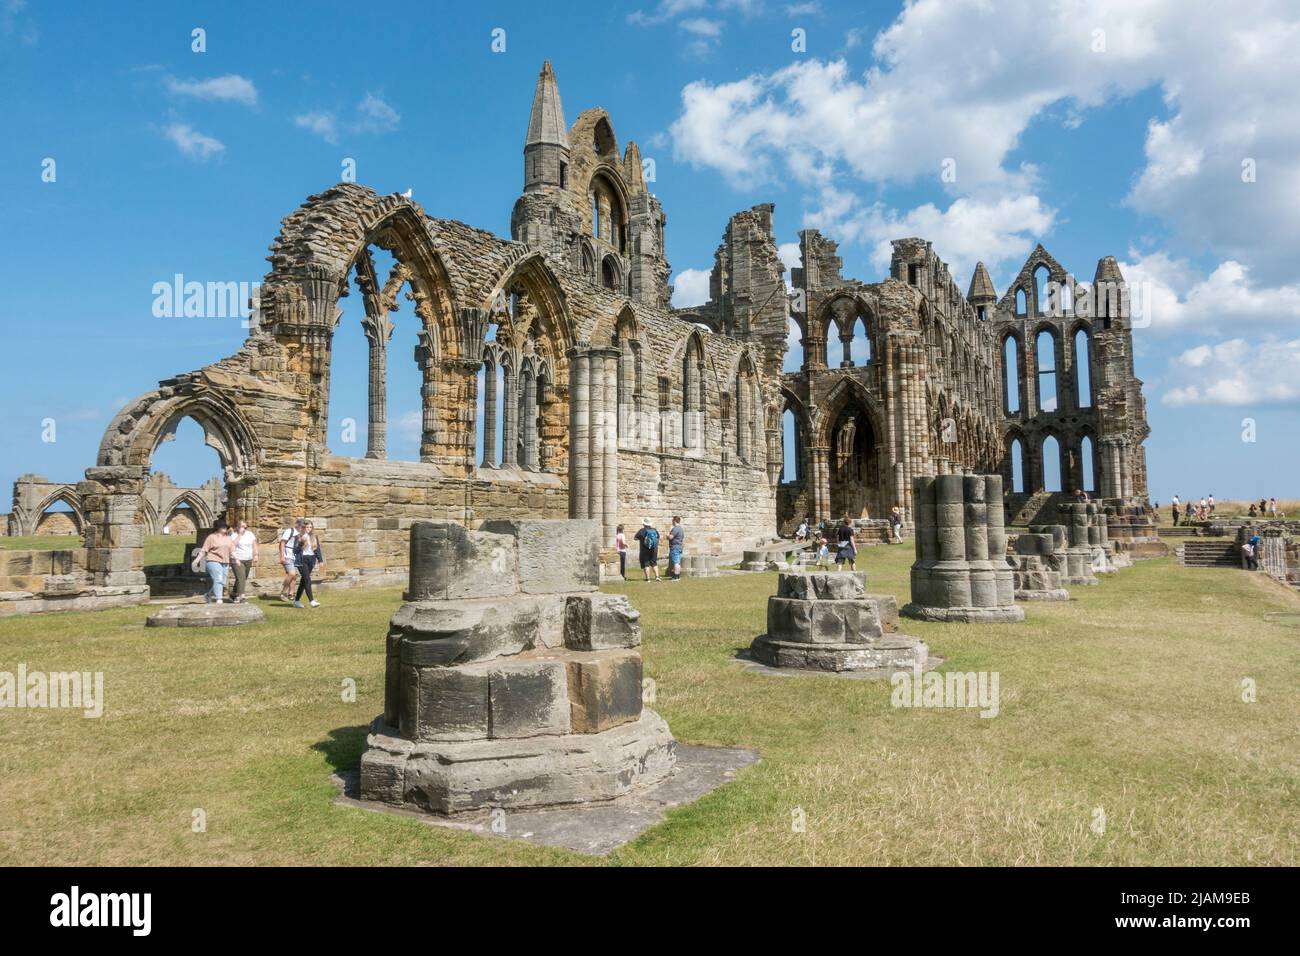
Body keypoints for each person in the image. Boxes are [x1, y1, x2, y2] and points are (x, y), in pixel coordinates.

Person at [196, 520, 234, 604]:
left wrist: (237, 559)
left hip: (225, 562)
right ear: (218, 528)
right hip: (213, 560)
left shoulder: (228, 538)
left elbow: (232, 551)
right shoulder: (211, 537)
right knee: (218, 579)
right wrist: (196, 560)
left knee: (222, 582)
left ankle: (208, 595)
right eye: (222, 526)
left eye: (225, 527)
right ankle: (219, 599)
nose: (224, 528)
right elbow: (204, 550)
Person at [292, 521, 324, 608]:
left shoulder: (314, 536)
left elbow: (317, 549)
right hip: (302, 560)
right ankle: (311, 601)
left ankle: (296, 601)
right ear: (303, 528)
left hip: (311, 560)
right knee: (307, 580)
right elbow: (295, 550)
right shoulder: (298, 536)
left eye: (310, 527)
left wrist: (320, 560)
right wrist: (302, 542)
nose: (308, 529)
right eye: (307, 527)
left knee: (303, 581)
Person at [230, 520, 259, 603]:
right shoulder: (234, 535)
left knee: (242, 578)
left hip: (248, 559)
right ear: (238, 527)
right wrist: (239, 535)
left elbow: (254, 544)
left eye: (245, 527)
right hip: (237, 559)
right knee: (241, 578)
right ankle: (242, 597)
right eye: (242, 527)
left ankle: (233, 594)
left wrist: (256, 554)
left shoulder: (250, 534)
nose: (244, 529)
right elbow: (232, 545)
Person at [279, 518, 303, 601]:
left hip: (295, 556)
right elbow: (282, 543)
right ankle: (283, 592)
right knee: (292, 574)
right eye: (300, 525)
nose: (301, 528)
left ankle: (291, 593)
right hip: (287, 555)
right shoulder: (290, 531)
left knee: (295, 576)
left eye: (302, 526)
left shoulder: (300, 534)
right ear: (297, 524)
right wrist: (282, 556)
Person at [634, 518, 660, 583]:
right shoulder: (654, 530)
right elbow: (658, 537)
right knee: (654, 563)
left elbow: (635, 538)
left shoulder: (641, 531)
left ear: (644, 524)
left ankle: (648, 579)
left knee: (646, 564)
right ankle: (657, 577)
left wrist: (641, 539)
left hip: (644, 549)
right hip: (654, 549)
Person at [667, 516, 684, 581]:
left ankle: (676, 577)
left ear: (674, 521)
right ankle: (677, 576)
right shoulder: (681, 529)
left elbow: (670, 537)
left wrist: (667, 535)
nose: (672, 522)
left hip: (675, 547)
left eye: (672, 521)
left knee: (676, 562)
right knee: (678, 562)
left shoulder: (675, 529)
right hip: (679, 546)